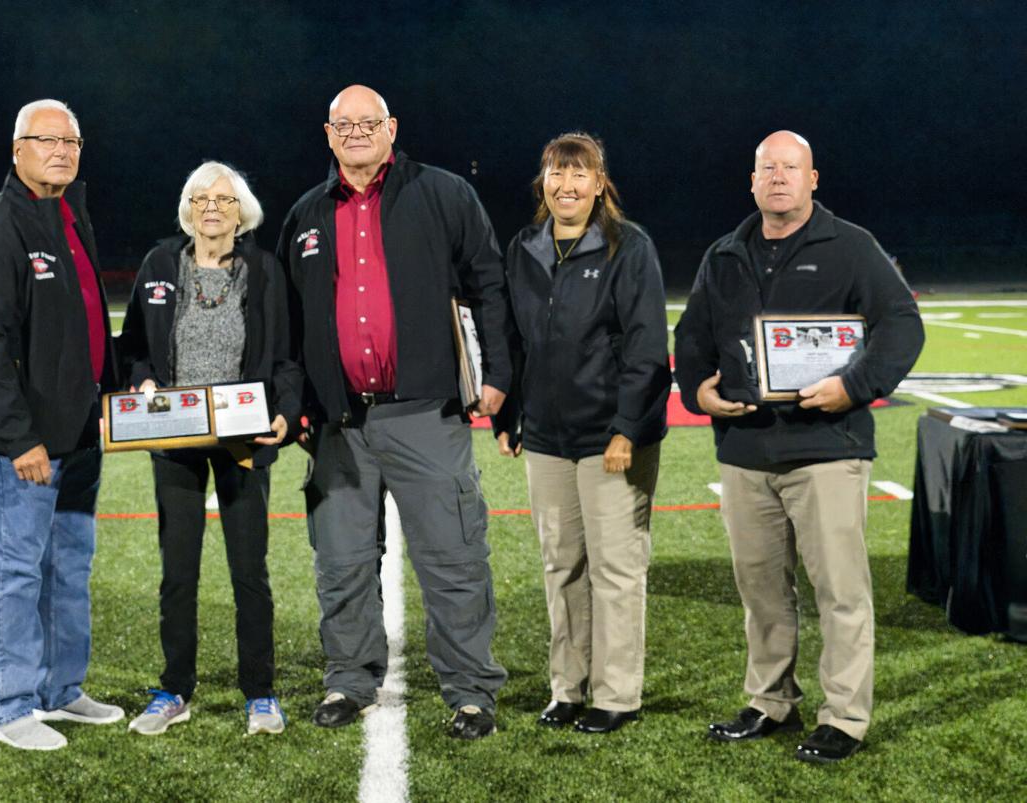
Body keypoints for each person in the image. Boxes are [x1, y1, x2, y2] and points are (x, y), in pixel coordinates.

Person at [673, 130, 924, 763]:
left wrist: (855, 386)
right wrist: (697, 393)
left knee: (839, 591)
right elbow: (693, 333)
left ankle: (844, 715)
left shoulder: (851, 247)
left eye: (791, 167)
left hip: (827, 448)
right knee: (761, 590)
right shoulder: (726, 253)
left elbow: (901, 325)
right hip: (747, 452)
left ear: (814, 179)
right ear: (752, 181)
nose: (778, 177)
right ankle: (770, 701)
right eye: (767, 168)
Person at [276, 84, 511, 740]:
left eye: (368, 122)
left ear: (391, 127)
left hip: (424, 410)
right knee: (341, 559)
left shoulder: (441, 193)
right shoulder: (305, 215)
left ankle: (470, 690)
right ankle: (349, 676)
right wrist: (295, 405)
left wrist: (497, 377)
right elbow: (289, 325)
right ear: (327, 134)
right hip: (337, 423)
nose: (356, 133)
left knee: (453, 555)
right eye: (343, 124)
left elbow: (489, 281)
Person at [0, 99, 122, 750]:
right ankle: (6, 707)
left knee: (68, 566)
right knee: (16, 569)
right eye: (45, 139)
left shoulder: (70, 216)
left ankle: (58, 690)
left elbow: (82, 324)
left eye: (71, 140)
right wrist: (19, 436)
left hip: (80, 434)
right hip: (28, 442)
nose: (60, 150)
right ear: (15, 148)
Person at [116, 161, 301, 737]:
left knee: (249, 570)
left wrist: (288, 414)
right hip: (175, 437)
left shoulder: (266, 270)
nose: (212, 208)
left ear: (241, 210)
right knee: (178, 572)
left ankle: (260, 693)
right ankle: (175, 688)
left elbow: (288, 356)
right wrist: (142, 381)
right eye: (201, 198)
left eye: (223, 199)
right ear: (188, 208)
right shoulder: (158, 264)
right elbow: (135, 347)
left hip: (242, 437)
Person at [494, 132, 671, 734]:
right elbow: (514, 342)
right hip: (546, 436)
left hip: (609, 436)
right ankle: (567, 688)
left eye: (579, 175)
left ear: (600, 184)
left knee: (616, 570)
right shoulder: (524, 248)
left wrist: (627, 428)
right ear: (543, 182)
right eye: (555, 174)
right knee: (561, 565)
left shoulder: (628, 246)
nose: (566, 186)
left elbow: (648, 347)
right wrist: (509, 415)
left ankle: (616, 695)